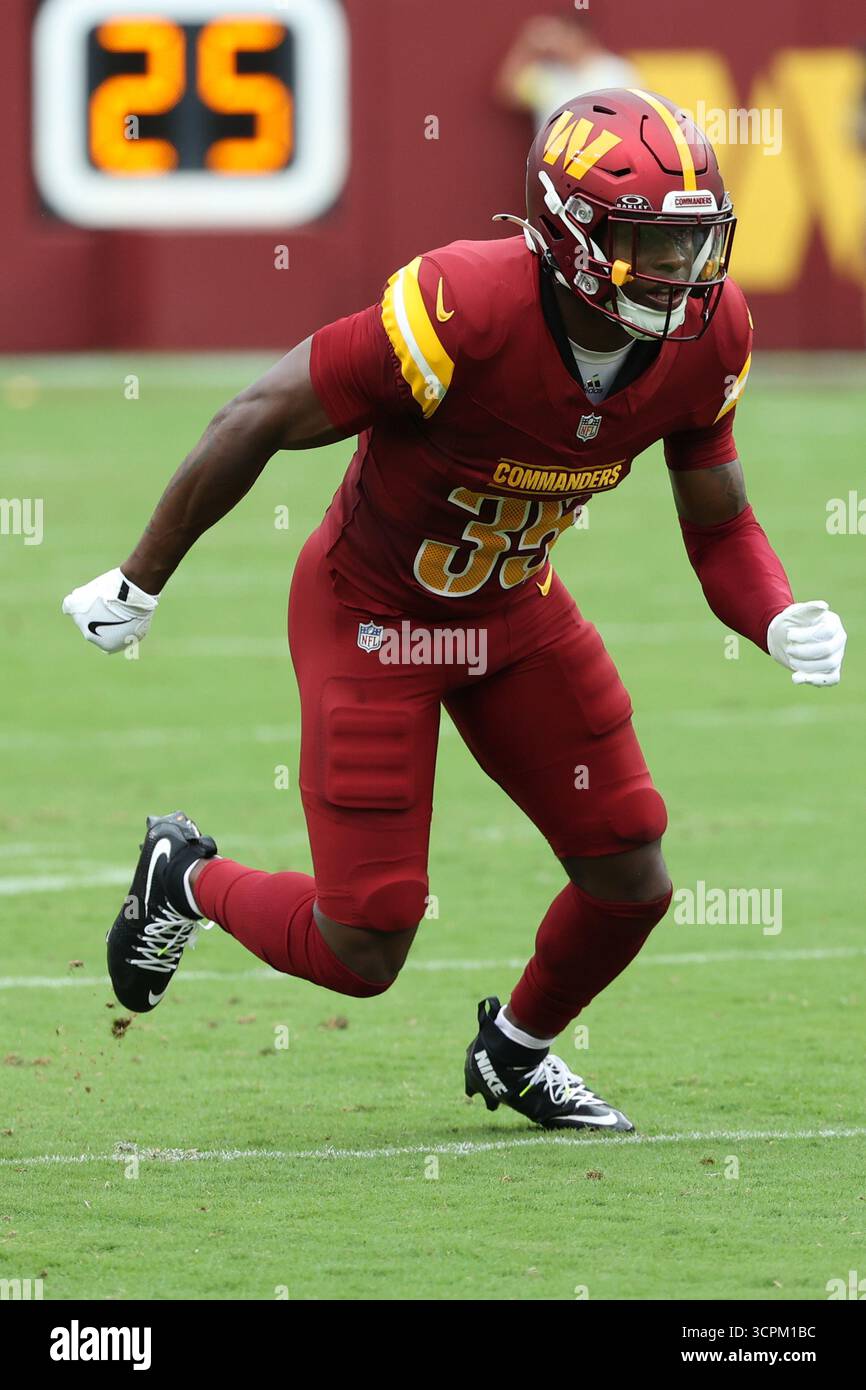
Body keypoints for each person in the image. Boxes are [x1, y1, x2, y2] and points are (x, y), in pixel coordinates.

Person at [63, 89, 846, 1133]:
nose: (681, 273)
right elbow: (255, 413)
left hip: (513, 613)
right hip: (373, 618)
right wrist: (139, 576)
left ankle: (516, 1051)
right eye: (652, 247)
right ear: (572, 236)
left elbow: (716, 522)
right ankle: (189, 878)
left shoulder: (709, 339)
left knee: (630, 872)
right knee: (365, 943)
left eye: (694, 244)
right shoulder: (459, 308)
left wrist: (772, 613)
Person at [496, 14, 637, 130]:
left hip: (602, 158)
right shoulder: (548, 74)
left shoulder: (615, 71)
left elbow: (634, 118)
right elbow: (508, 93)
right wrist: (528, 45)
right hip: (554, 160)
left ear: (582, 36)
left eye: (565, 36)